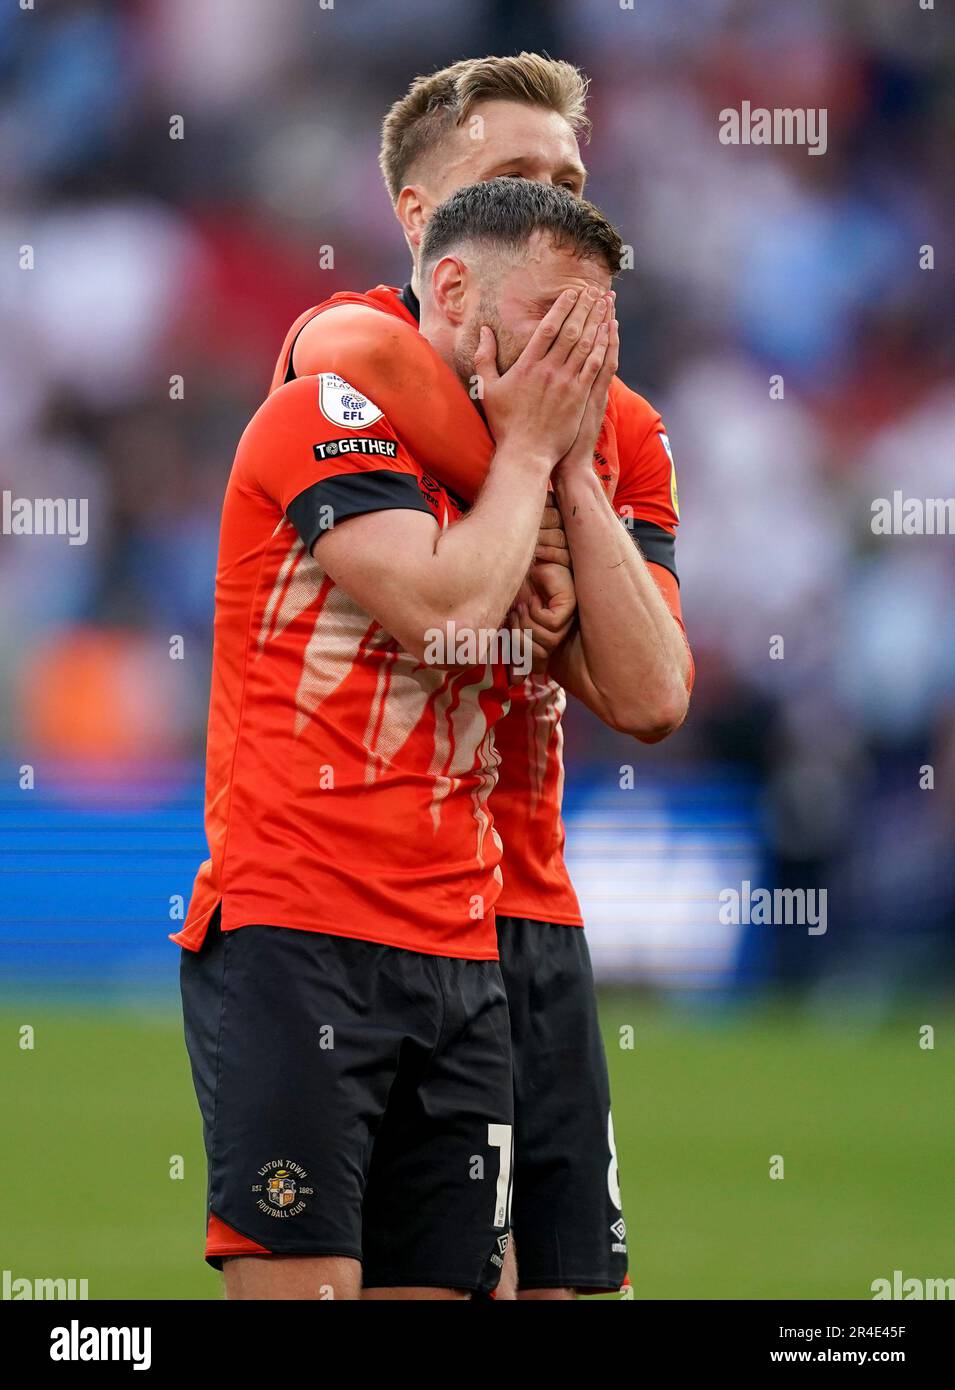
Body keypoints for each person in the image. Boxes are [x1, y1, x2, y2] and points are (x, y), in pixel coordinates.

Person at [268, 54, 693, 1298]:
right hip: (377, 909)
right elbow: (338, 343)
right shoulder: (350, 360)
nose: (553, 199)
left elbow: (650, 693)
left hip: (532, 914)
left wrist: (563, 480)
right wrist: (545, 492)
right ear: (421, 219)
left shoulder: (626, 429)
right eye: (516, 175)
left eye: (569, 176)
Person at [176, 178, 624, 1300]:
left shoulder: (517, 484)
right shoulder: (324, 414)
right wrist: (530, 464)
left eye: (595, 335)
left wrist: (551, 477)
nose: (572, 367)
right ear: (455, 286)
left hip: (463, 953)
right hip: (299, 932)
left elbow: (649, 692)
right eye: (549, 325)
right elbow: (448, 614)